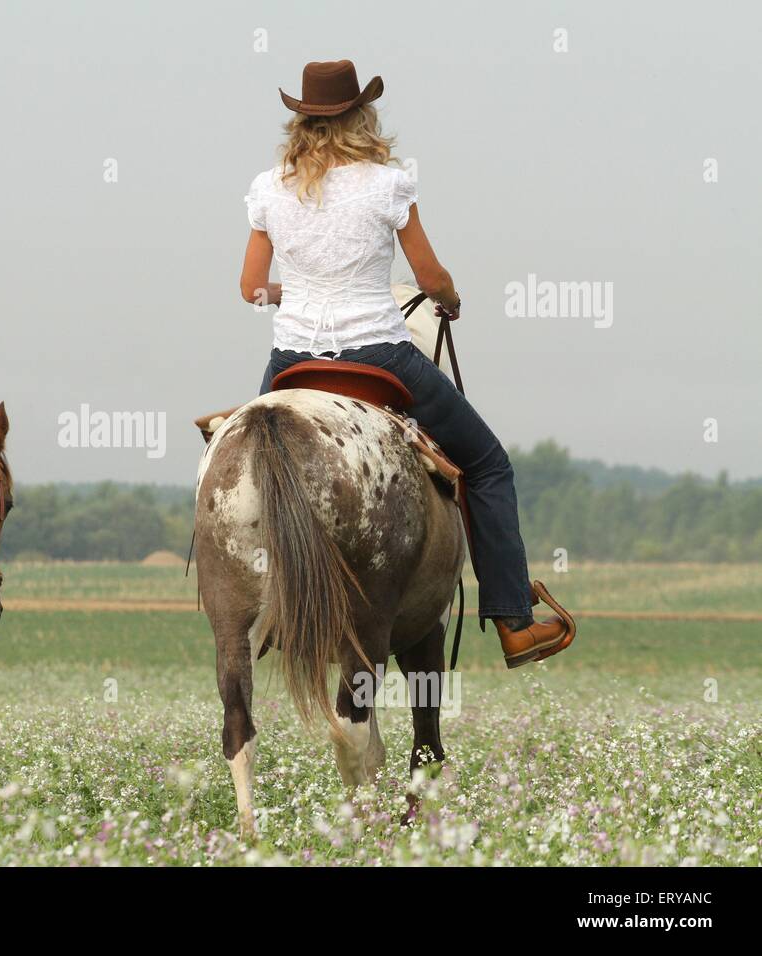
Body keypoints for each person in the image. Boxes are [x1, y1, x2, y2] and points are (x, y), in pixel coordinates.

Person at [239, 62, 576, 668]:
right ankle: (514, 622)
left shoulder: (269, 188)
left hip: (292, 361)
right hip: (379, 354)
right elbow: (430, 277)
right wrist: (449, 300)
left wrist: (310, 291)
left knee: (241, 464)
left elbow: (252, 288)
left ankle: (250, 609)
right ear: (359, 116)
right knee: (488, 463)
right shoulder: (388, 184)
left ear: (302, 119)